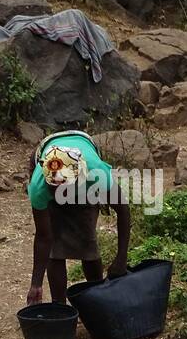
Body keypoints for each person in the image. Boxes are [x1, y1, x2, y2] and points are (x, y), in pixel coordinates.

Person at [25, 130, 130, 304]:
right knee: (55, 246)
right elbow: (44, 237)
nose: (58, 193)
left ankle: (98, 296)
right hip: (47, 147)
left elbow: (123, 210)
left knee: (86, 237)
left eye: (63, 188)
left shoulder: (96, 173)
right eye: (54, 187)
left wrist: (121, 258)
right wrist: (35, 284)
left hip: (84, 160)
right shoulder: (39, 186)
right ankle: (59, 306)